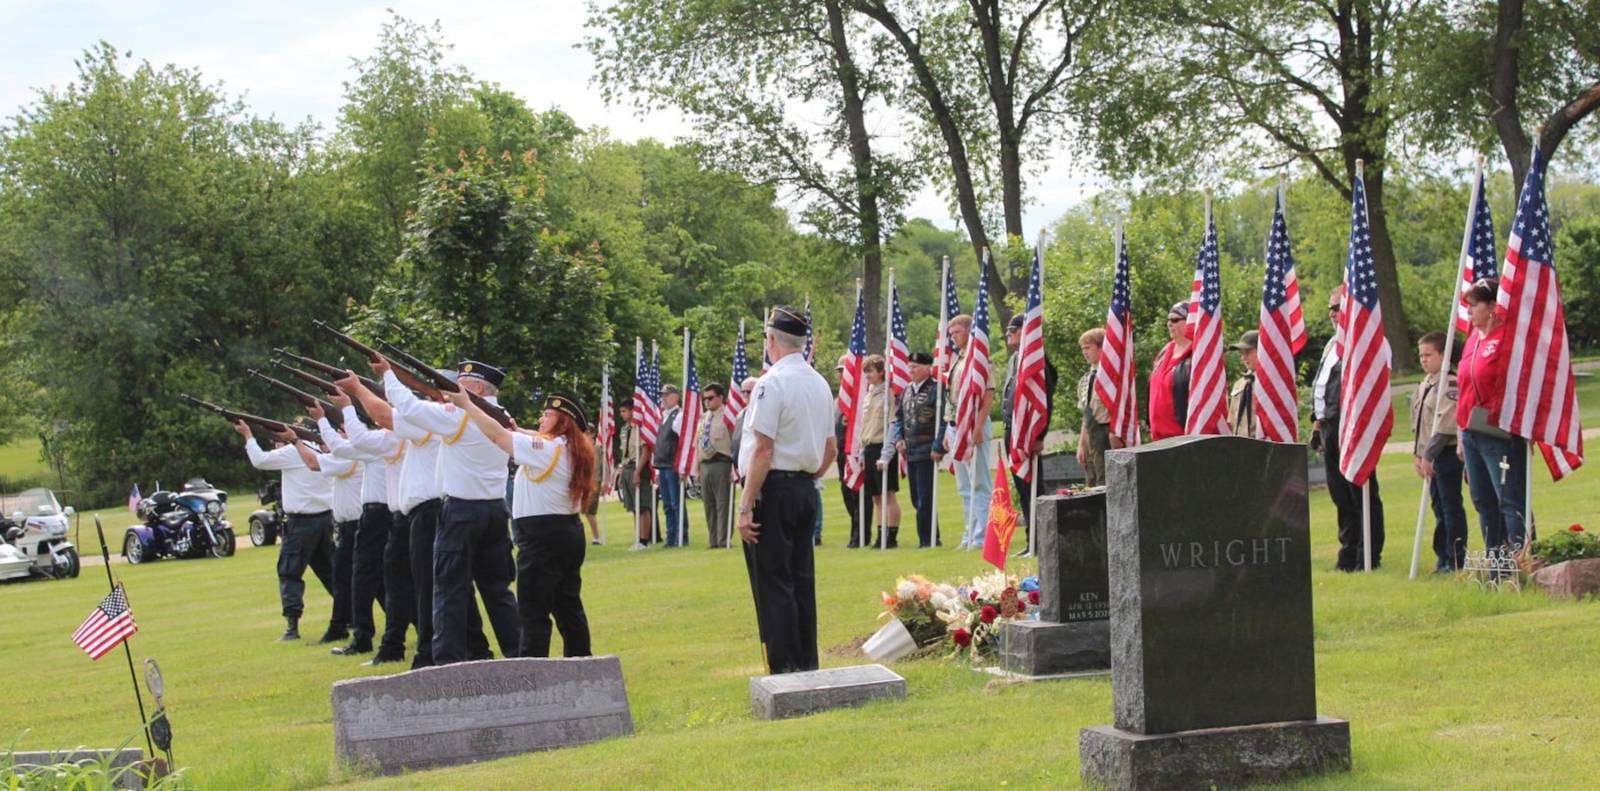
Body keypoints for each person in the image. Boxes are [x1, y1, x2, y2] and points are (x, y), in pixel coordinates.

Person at [382, 357, 520, 665]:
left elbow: (409, 408)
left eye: (463, 382)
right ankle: (518, 653)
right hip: (495, 510)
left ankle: (447, 661)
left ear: (473, 388)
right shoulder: (502, 416)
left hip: (460, 512)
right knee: (498, 590)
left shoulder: (460, 415)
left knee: (448, 588)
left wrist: (389, 375)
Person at [452, 389, 596, 658]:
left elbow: (498, 436)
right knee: (567, 607)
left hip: (542, 538)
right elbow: (532, 437)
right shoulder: (566, 448)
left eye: (548, 415)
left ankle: (533, 674)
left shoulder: (548, 449)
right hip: (566, 532)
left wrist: (466, 405)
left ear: (563, 422)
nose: (541, 419)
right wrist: (519, 429)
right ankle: (582, 663)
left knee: (533, 612)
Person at [737, 306, 836, 675]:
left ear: (772, 340)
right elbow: (831, 450)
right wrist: (810, 477)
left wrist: (746, 505)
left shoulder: (771, 382)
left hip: (774, 489)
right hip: (805, 488)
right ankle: (806, 662)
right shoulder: (820, 383)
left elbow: (763, 449)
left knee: (773, 582)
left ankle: (783, 668)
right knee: (800, 579)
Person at [331, 378, 415, 666]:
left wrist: (344, 409)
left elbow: (347, 445)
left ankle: (369, 637)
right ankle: (404, 635)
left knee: (372, 577)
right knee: (396, 580)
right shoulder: (395, 436)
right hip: (392, 512)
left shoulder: (387, 438)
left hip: (382, 513)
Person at [238, 420, 337, 642]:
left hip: (302, 523)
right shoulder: (320, 450)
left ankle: (292, 625)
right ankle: (346, 616)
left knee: (289, 571)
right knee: (330, 571)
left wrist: (248, 435)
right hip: (324, 518)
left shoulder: (294, 452)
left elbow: (259, 460)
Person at [1313, 289, 1385, 571]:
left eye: (1338, 307)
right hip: (1330, 426)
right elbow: (1323, 387)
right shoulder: (1333, 345)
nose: (1332, 313)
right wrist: (1318, 423)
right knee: (1340, 495)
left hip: (1354, 427)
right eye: (1330, 308)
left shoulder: (1366, 341)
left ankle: (1368, 556)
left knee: (1362, 494)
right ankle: (1348, 554)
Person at [1456, 278, 1527, 553]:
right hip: (1471, 431)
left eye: (1473, 305)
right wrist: (1460, 433)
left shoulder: (1507, 338)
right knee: (1482, 500)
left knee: (1509, 499)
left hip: (1499, 432)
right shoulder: (1472, 339)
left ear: (1492, 307)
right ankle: (1495, 560)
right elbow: (1462, 388)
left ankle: (1520, 557)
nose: (1469, 311)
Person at [304, 407, 381, 656]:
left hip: (359, 524)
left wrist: (295, 441)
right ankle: (347, 627)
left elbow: (313, 463)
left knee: (362, 580)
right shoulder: (356, 451)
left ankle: (353, 631)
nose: (341, 432)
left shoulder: (354, 453)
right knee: (362, 580)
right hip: (351, 525)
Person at [1001, 313, 1058, 555]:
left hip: (1028, 435)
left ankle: (1040, 541)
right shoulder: (1016, 359)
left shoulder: (1038, 362)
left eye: (1013, 330)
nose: (1008, 334)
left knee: (1033, 490)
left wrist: (1040, 435)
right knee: (1022, 490)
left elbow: (1044, 402)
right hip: (1012, 431)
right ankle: (1030, 541)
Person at [1412, 330, 1467, 571]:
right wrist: (1418, 454)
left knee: (1450, 506)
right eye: (1421, 355)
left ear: (1443, 355)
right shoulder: (1427, 383)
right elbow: (1419, 422)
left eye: (1429, 355)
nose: (1424, 360)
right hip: (1428, 454)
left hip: (1444, 454)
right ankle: (1442, 557)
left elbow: (1446, 423)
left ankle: (1455, 558)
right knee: (1438, 507)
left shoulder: (1449, 381)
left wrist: (1429, 455)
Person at [939, 314, 994, 550]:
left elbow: (988, 394)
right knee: (964, 486)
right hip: (955, 426)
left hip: (973, 425)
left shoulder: (979, 360)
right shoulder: (958, 359)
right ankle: (969, 534)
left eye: (957, 332)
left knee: (979, 483)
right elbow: (952, 398)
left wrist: (979, 427)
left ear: (969, 331)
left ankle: (983, 536)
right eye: (951, 334)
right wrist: (946, 427)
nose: (953, 338)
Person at [895, 351, 939, 548]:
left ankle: (927, 539)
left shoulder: (935, 389)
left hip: (927, 448)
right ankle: (928, 535)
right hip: (910, 450)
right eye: (909, 367)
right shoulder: (906, 390)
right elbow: (899, 418)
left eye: (915, 367)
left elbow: (941, 420)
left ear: (928, 368)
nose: (911, 370)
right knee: (915, 498)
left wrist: (937, 446)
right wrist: (899, 439)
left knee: (925, 497)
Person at [857, 355, 901, 549]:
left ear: (881, 372)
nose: (867, 375)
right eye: (865, 371)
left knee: (888, 494)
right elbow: (864, 425)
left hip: (883, 446)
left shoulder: (888, 394)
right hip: (869, 447)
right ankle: (880, 532)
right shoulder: (869, 395)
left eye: (871, 371)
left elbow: (892, 423)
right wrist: (861, 453)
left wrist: (887, 454)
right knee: (876, 496)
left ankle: (891, 535)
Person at [694, 383, 735, 548]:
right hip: (705, 464)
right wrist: (697, 468)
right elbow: (698, 444)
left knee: (723, 503)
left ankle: (723, 539)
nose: (707, 402)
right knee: (709, 504)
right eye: (704, 399)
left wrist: (735, 467)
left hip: (721, 463)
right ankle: (713, 540)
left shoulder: (728, 416)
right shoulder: (704, 418)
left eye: (710, 398)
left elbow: (735, 441)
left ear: (720, 397)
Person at [1076, 329, 1115, 487]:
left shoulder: (1110, 378)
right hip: (1090, 434)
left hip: (1106, 434)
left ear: (1101, 347)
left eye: (1088, 348)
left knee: (1105, 480)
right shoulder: (1085, 381)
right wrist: (1081, 444)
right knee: (1091, 481)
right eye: (1082, 349)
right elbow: (1085, 416)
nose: (1084, 352)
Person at [1149, 301, 1192, 441]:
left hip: (1182, 439)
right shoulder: (1165, 350)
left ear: (1189, 322)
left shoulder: (1197, 356)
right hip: (1158, 439)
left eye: (1175, 320)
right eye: (1168, 320)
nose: (1169, 324)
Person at [834, 355, 861, 547]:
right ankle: (855, 531)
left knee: (857, 494)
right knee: (846, 494)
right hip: (841, 452)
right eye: (840, 372)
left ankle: (860, 533)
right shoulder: (839, 400)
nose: (842, 375)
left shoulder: (859, 397)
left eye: (845, 371)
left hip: (856, 451)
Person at [652, 384, 684, 546]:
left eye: (666, 395)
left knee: (676, 503)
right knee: (667, 505)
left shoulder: (678, 416)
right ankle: (671, 537)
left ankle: (681, 536)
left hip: (672, 465)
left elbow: (683, 442)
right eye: (662, 395)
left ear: (675, 396)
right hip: (663, 465)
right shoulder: (664, 416)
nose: (663, 398)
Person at [1227, 330, 1262, 439]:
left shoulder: (1270, 385)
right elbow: (1232, 421)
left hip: (1262, 444)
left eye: (1247, 352)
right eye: (1241, 353)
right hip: (1240, 444)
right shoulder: (1239, 384)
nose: (1243, 358)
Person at [582, 425, 604, 546]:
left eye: (587, 433)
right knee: (585, 511)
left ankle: (597, 537)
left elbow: (596, 467)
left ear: (593, 434)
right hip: (584, 482)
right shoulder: (583, 448)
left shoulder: (596, 448)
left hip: (593, 481)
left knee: (590, 511)